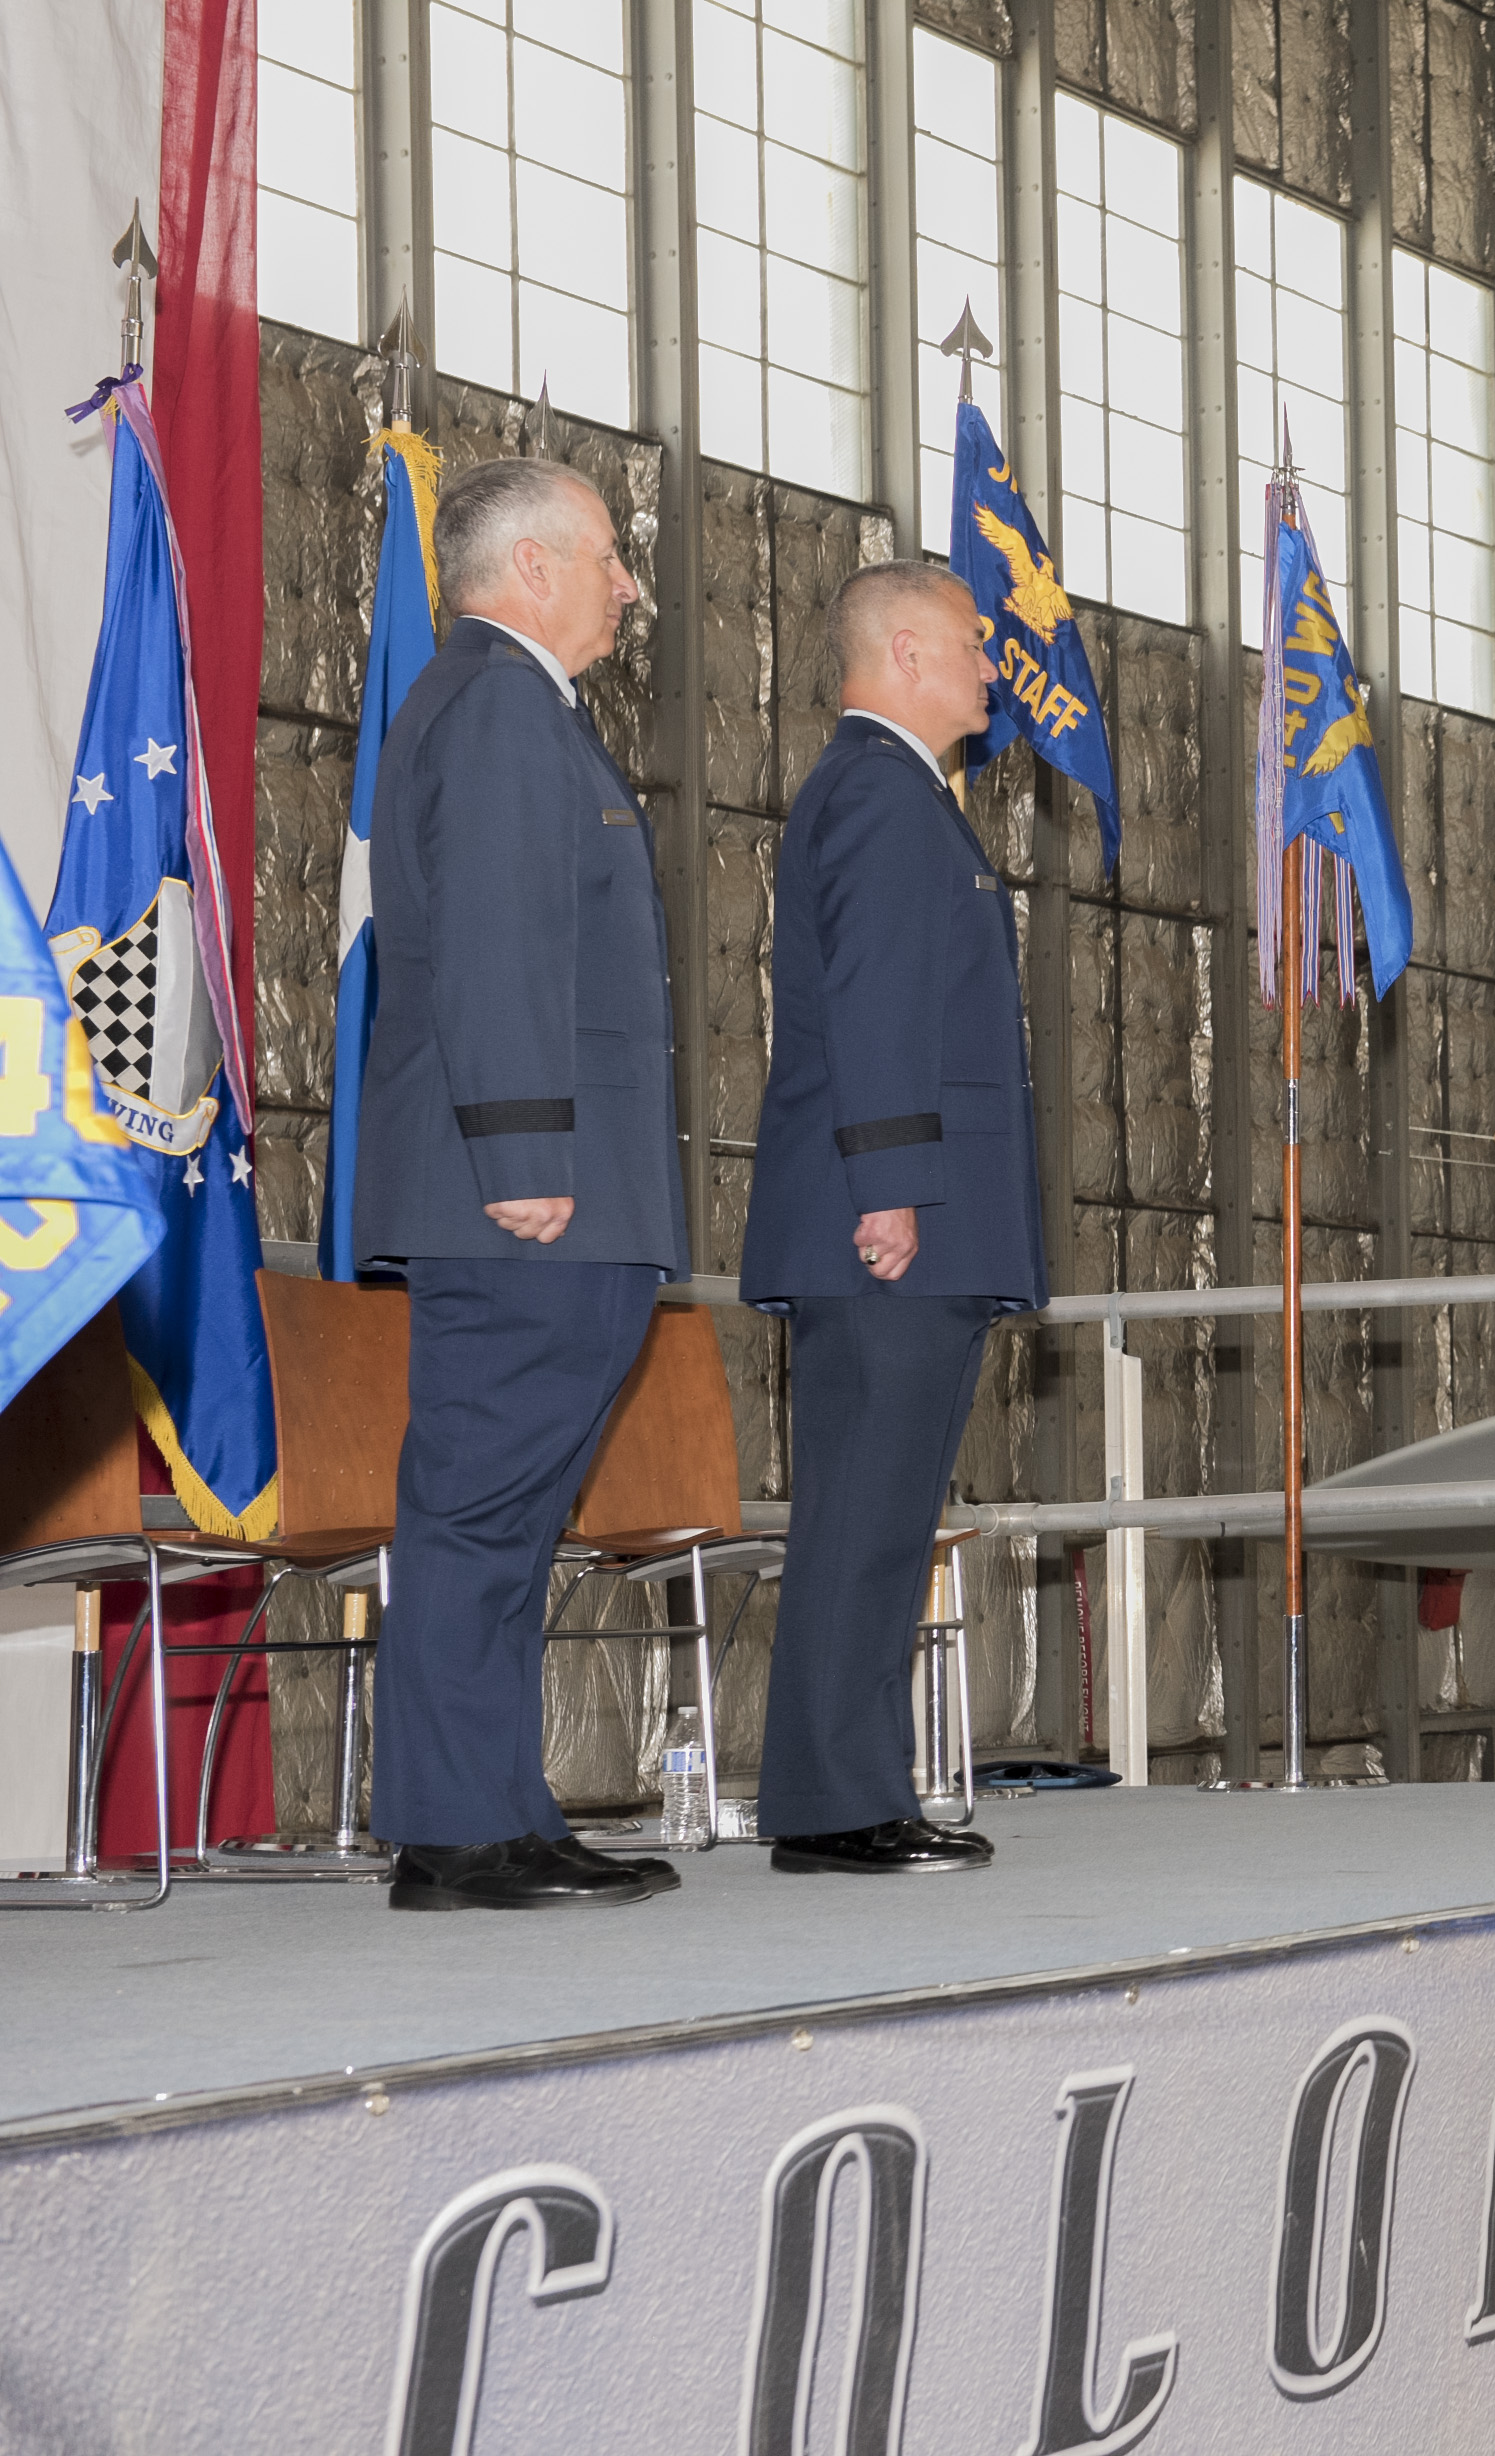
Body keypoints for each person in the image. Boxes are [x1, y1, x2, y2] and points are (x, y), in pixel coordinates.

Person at [357, 457, 686, 1912]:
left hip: (562, 1185)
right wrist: (526, 1151)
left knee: (511, 1513)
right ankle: (449, 1827)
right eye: (609, 556)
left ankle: (498, 1807)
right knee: (480, 1510)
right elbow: (493, 939)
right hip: (527, 1188)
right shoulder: (495, 701)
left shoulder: (524, 709)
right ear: (534, 566)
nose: (629, 582)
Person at [737, 563, 1044, 1873]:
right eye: (977, 647)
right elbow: (871, 1005)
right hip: (890, 1219)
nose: (993, 670)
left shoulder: (904, 798)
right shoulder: (876, 794)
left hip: (917, 1209)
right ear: (911, 653)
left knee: (885, 1518)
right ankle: (830, 1804)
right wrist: (890, 1189)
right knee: (863, 1519)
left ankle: (852, 1790)